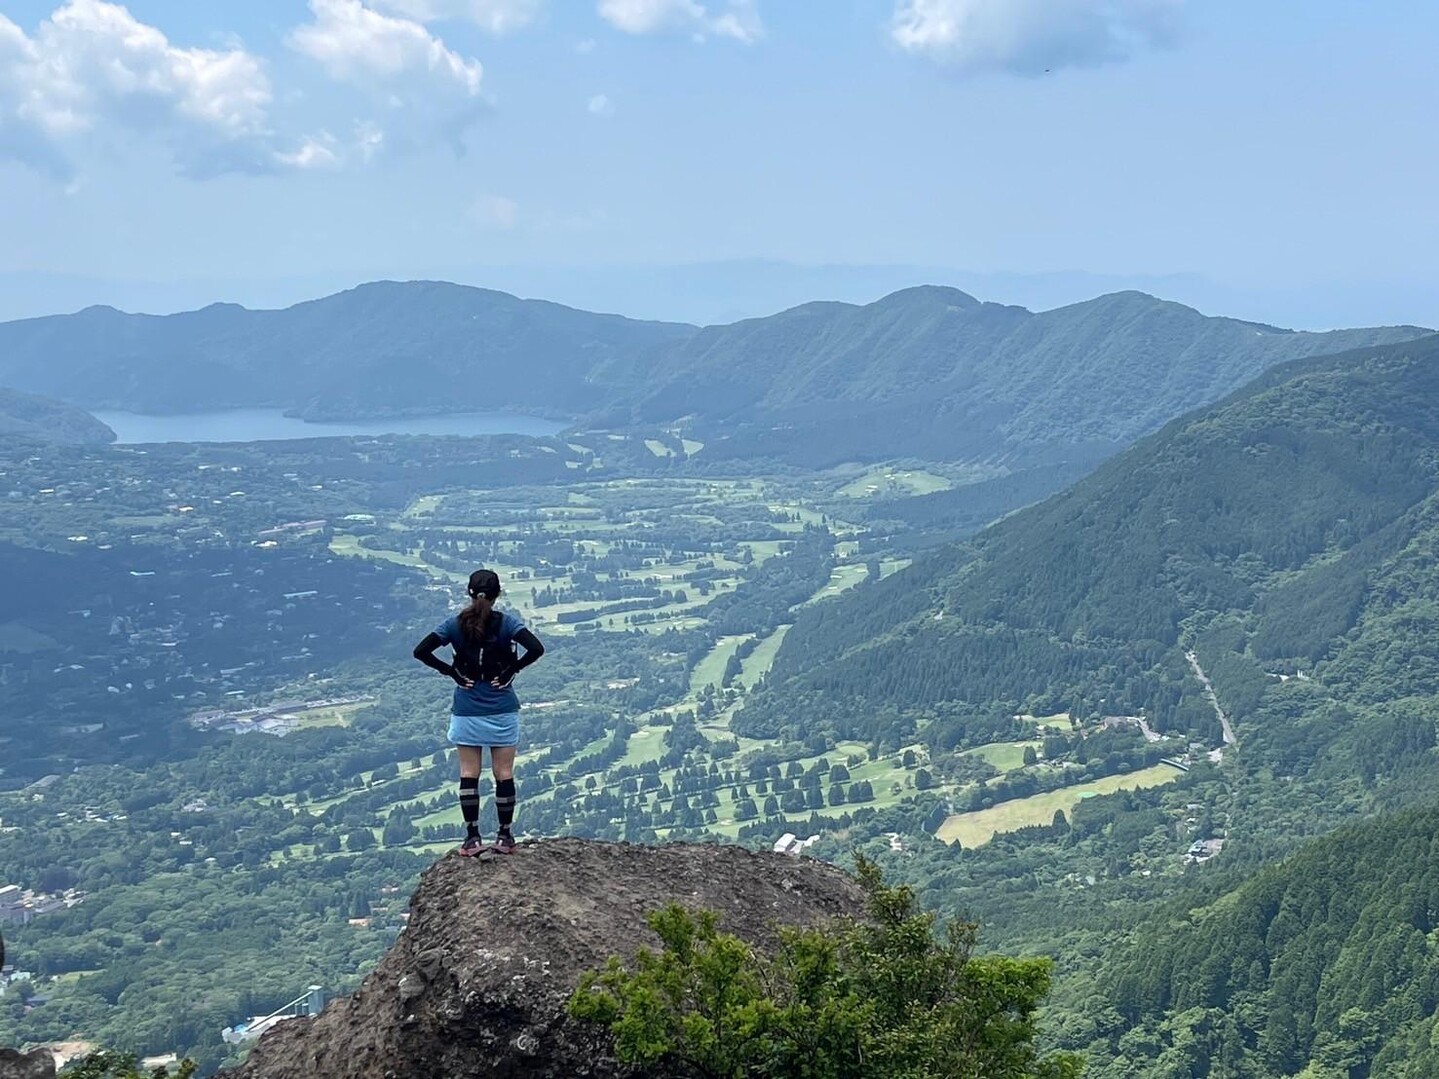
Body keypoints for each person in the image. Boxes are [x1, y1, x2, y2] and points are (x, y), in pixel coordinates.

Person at [413, 569, 544, 855]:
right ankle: (505, 837)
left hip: (467, 709)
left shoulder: (454, 625)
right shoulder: (507, 623)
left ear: (469, 593)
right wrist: (512, 669)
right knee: (504, 773)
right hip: (502, 708)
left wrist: (451, 673)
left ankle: (472, 838)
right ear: (497, 594)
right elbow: (536, 648)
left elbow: (421, 651)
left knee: (469, 773)